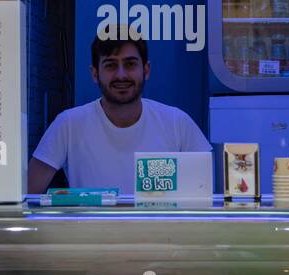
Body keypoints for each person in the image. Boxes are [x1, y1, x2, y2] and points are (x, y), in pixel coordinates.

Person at [27, 32, 211, 196]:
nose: (121, 75)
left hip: (162, 235)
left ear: (146, 70)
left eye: (130, 64)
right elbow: (25, 194)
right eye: (111, 65)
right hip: (89, 234)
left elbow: (206, 199)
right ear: (94, 73)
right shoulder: (68, 124)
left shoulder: (177, 123)